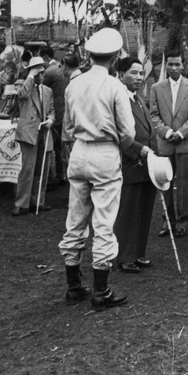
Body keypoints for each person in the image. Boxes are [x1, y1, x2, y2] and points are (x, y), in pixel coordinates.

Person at [59, 28, 135, 310]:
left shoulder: (74, 84)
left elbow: (67, 127)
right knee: (103, 222)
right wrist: (120, 145)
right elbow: (128, 131)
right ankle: (101, 291)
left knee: (75, 219)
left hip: (79, 151)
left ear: (89, 55)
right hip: (105, 153)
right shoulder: (115, 86)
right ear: (115, 57)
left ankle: (74, 287)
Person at [113, 57, 158, 274]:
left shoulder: (138, 99)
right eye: (134, 73)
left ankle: (139, 252)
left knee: (144, 210)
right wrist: (139, 149)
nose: (139, 77)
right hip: (130, 163)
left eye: (141, 73)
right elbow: (119, 135)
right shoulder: (119, 98)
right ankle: (124, 256)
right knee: (128, 211)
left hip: (147, 164)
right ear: (121, 75)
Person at [149, 50, 188, 237]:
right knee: (165, 182)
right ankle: (167, 220)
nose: (173, 68)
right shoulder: (157, 87)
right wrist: (168, 132)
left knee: (185, 183)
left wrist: (181, 132)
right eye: (170, 64)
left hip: (186, 142)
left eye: (177, 64)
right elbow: (153, 115)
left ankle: (183, 221)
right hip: (165, 143)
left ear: (183, 65)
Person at [12, 57, 55, 216]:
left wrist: (50, 119)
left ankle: (37, 201)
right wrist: (30, 75)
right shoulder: (23, 85)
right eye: (37, 72)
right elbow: (22, 94)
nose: (41, 75)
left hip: (44, 133)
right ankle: (21, 203)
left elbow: (51, 110)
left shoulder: (48, 91)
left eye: (43, 72)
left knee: (41, 169)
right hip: (29, 132)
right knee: (27, 169)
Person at [40, 46, 69, 185]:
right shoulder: (62, 68)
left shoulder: (48, 72)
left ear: (45, 57)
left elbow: (40, 90)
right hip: (65, 111)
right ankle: (61, 174)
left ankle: (51, 178)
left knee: (49, 145)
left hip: (53, 112)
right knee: (60, 147)